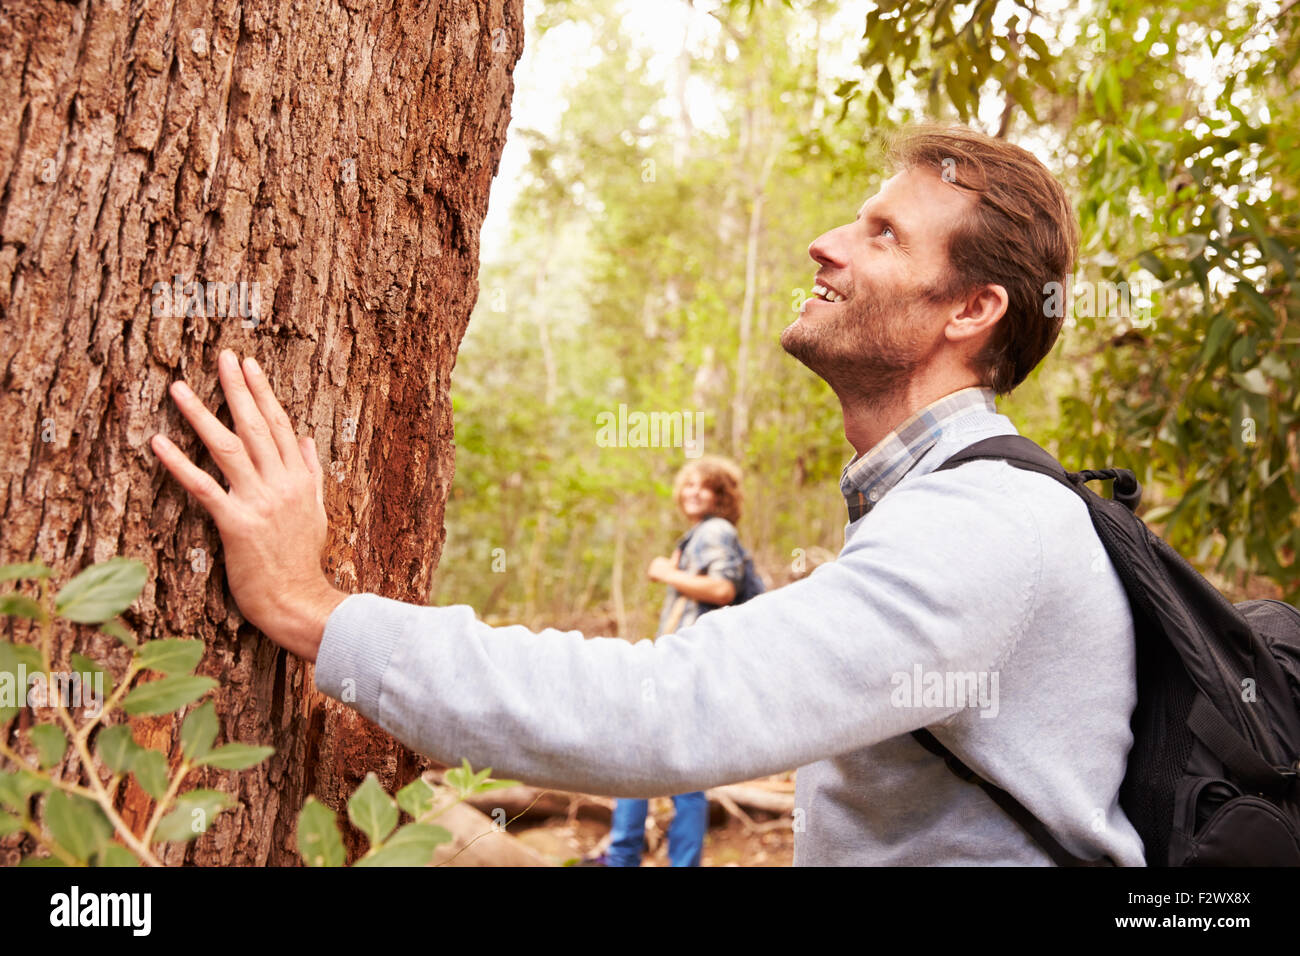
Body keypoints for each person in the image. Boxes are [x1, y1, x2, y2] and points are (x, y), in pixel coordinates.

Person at [150, 123, 1146, 865]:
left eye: (882, 234)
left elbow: (666, 710)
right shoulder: (955, 504)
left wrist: (311, 610)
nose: (825, 243)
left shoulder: (985, 528)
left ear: (971, 309)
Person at [595, 456, 753, 867]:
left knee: (642, 756)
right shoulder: (698, 535)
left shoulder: (715, 531)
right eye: (689, 485)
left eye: (706, 487)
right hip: (689, 664)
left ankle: (625, 856)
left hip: (693, 666)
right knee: (670, 768)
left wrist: (665, 571)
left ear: (722, 497)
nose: (694, 492)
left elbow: (721, 587)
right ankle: (632, 855)